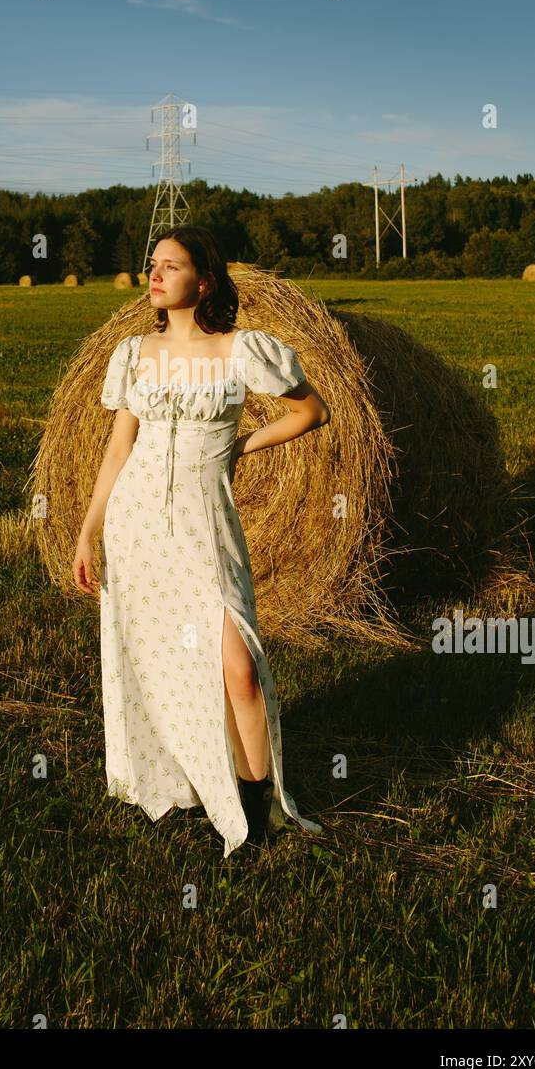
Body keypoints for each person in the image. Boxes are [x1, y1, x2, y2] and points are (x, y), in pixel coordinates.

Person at [73, 225, 330, 856]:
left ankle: (260, 805)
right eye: (151, 264)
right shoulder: (133, 354)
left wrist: (242, 445)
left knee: (238, 668)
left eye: (171, 266)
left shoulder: (243, 351)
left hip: (205, 526)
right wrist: (88, 529)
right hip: (138, 525)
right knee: (159, 657)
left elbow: (311, 411)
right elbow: (119, 448)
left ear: (205, 280)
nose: (154, 275)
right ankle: (190, 780)